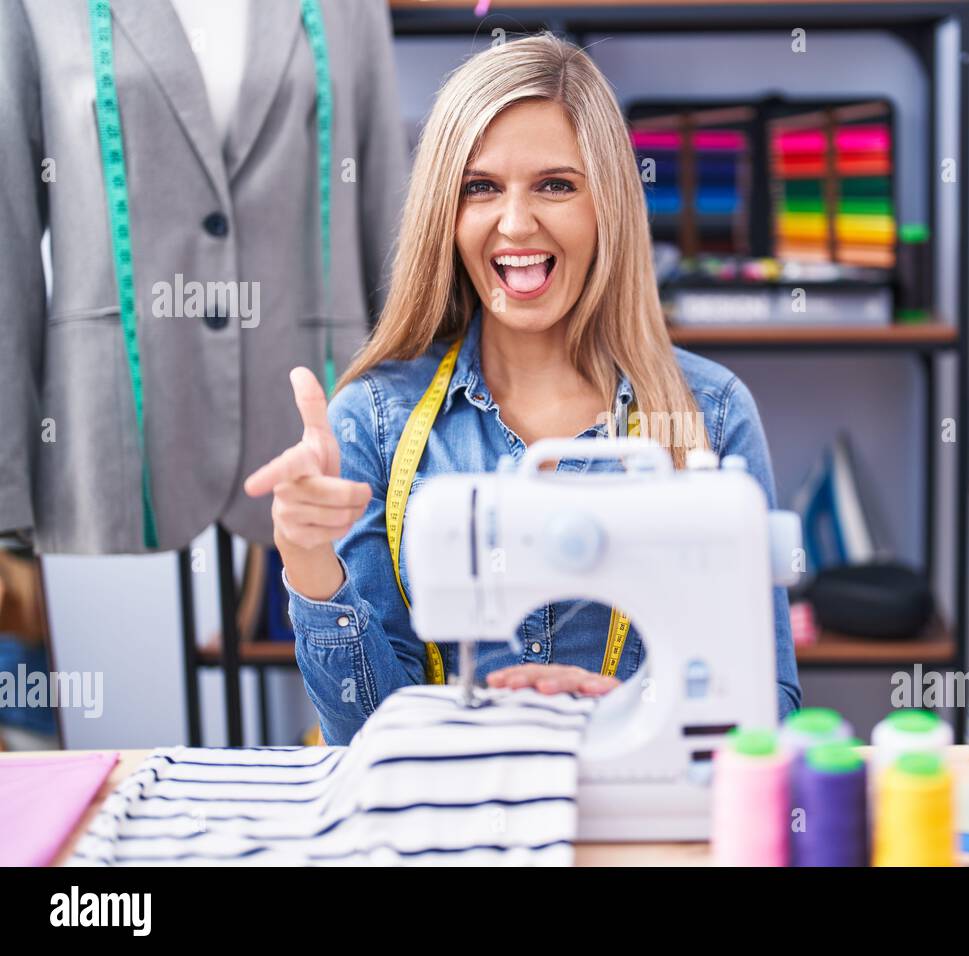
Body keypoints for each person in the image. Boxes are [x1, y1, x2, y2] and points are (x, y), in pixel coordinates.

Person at [244, 34, 800, 745]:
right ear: (445, 213)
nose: (515, 223)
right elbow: (366, 736)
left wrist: (631, 712)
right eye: (481, 187)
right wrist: (309, 561)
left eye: (556, 185)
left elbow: (770, 708)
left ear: (610, 206)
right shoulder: (374, 422)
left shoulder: (710, 414)